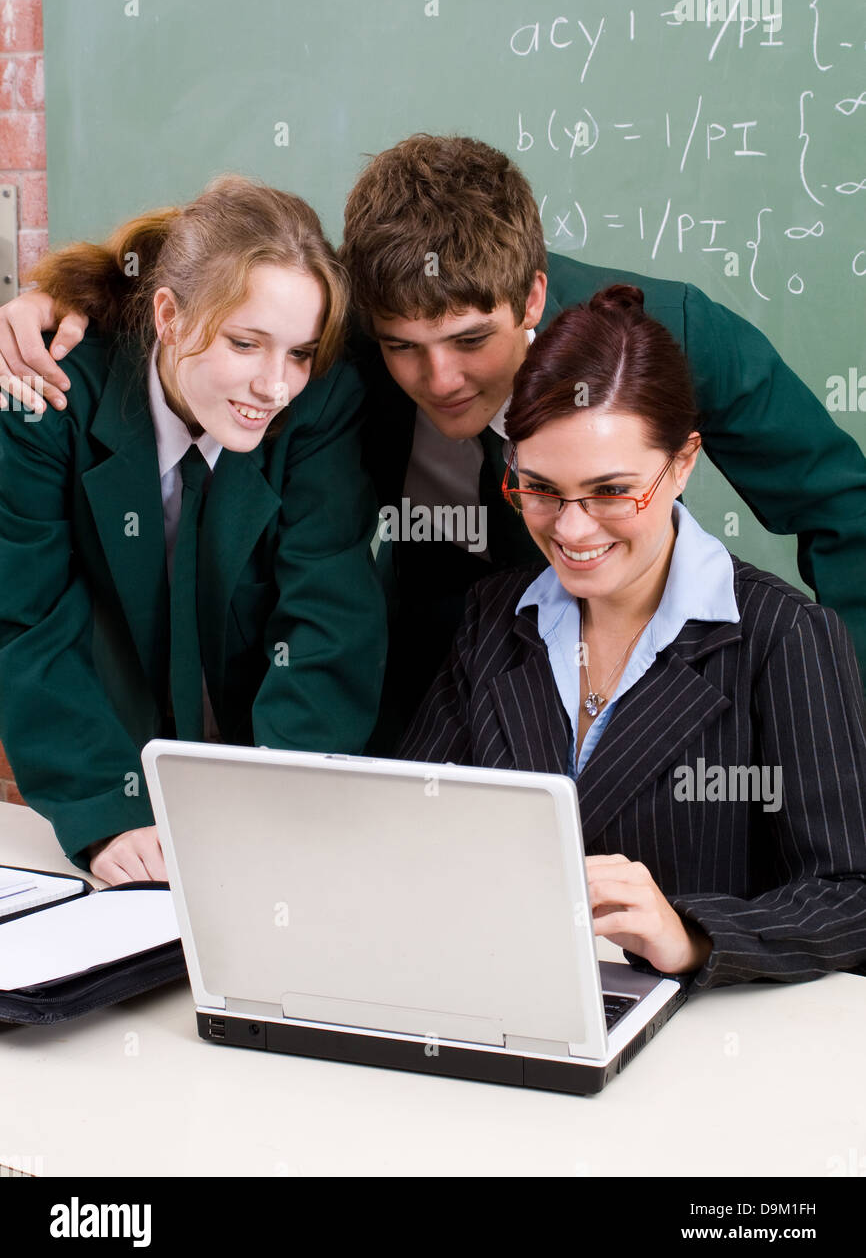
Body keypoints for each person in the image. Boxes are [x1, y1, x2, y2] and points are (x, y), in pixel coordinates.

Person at [3, 135, 866, 744]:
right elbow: (214, 291)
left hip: (631, 665)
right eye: (402, 349)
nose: (440, 380)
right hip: (428, 663)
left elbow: (843, 511)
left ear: (529, 302)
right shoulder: (327, 354)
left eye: (468, 341)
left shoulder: (672, 336)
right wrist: (65, 305)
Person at [399, 286, 866, 991]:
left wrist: (687, 933)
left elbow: (849, 893)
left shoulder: (784, 637)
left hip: (699, 1049)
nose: (572, 530)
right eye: (540, 489)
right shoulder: (493, 617)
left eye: (612, 492)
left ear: (683, 464)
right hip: (500, 1006)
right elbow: (410, 825)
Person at [0, 174, 387, 882]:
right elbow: (27, 624)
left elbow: (327, 614)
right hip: (116, 774)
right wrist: (104, 813)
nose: (275, 386)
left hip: (266, 799)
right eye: (246, 343)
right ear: (169, 315)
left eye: (298, 353)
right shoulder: (46, 391)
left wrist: (278, 810)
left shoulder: (322, 403)